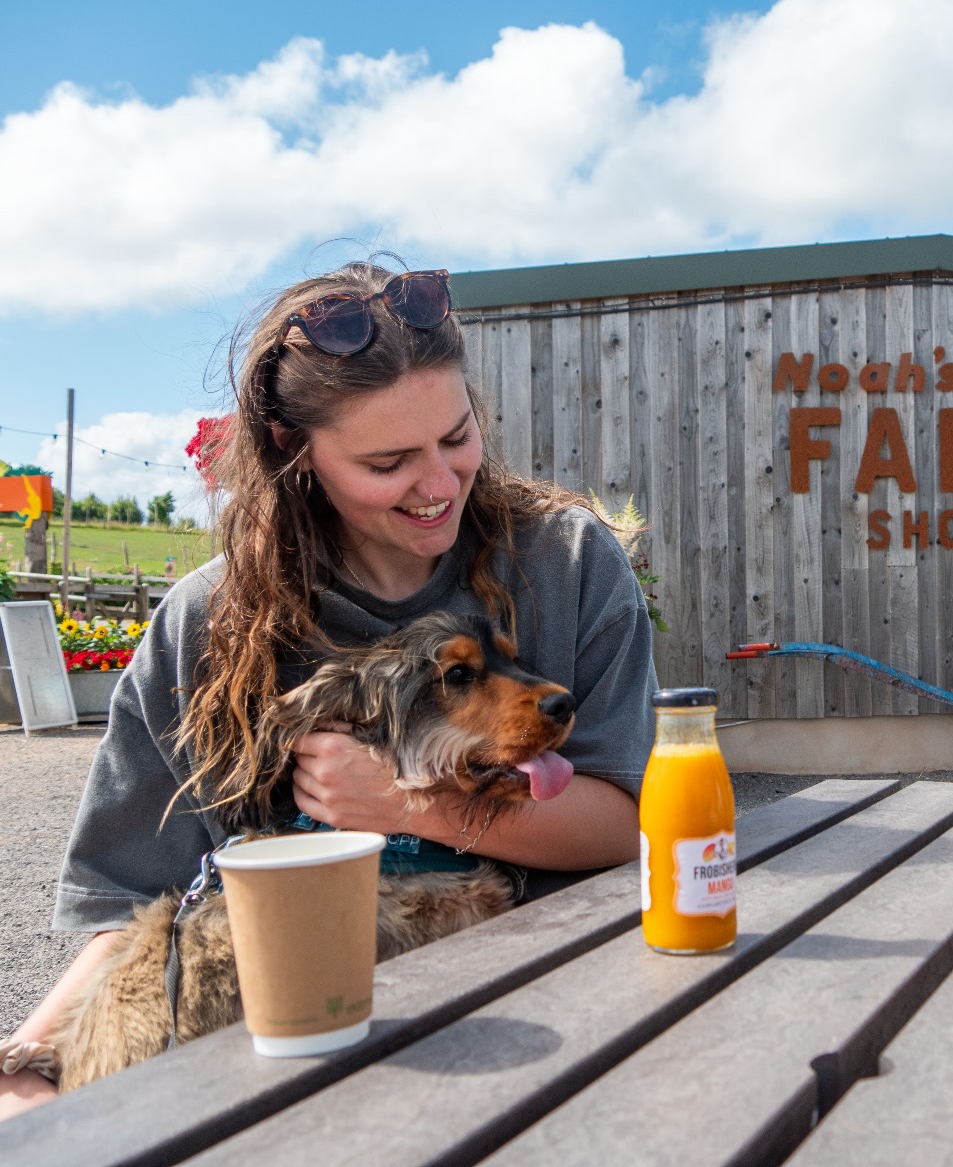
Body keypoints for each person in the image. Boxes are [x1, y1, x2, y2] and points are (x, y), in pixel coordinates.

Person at [0, 263, 656, 1118]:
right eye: (388, 461)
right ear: (292, 450)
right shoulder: (209, 623)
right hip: (285, 1071)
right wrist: (26, 1066)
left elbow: (629, 824)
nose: (438, 484)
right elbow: (136, 911)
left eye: (457, 437)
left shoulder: (564, 563)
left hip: (554, 1032)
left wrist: (405, 804)